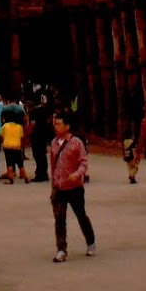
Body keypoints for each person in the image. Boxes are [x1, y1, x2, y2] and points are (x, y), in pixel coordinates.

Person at [49, 110, 96, 263]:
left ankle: (90, 242)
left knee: (81, 216)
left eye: (59, 124)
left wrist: (77, 174)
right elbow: (53, 165)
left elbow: (84, 162)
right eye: (55, 124)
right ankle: (61, 249)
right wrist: (54, 184)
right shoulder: (54, 143)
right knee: (59, 218)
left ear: (67, 126)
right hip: (59, 188)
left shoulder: (77, 143)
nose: (56, 126)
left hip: (75, 188)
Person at [1, 101, 30, 184]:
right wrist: (20, 146)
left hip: (7, 146)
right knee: (20, 163)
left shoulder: (5, 126)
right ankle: (25, 177)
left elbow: (1, 136)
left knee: (9, 162)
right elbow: (21, 137)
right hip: (16, 146)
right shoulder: (19, 127)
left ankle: (11, 178)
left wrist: (3, 142)